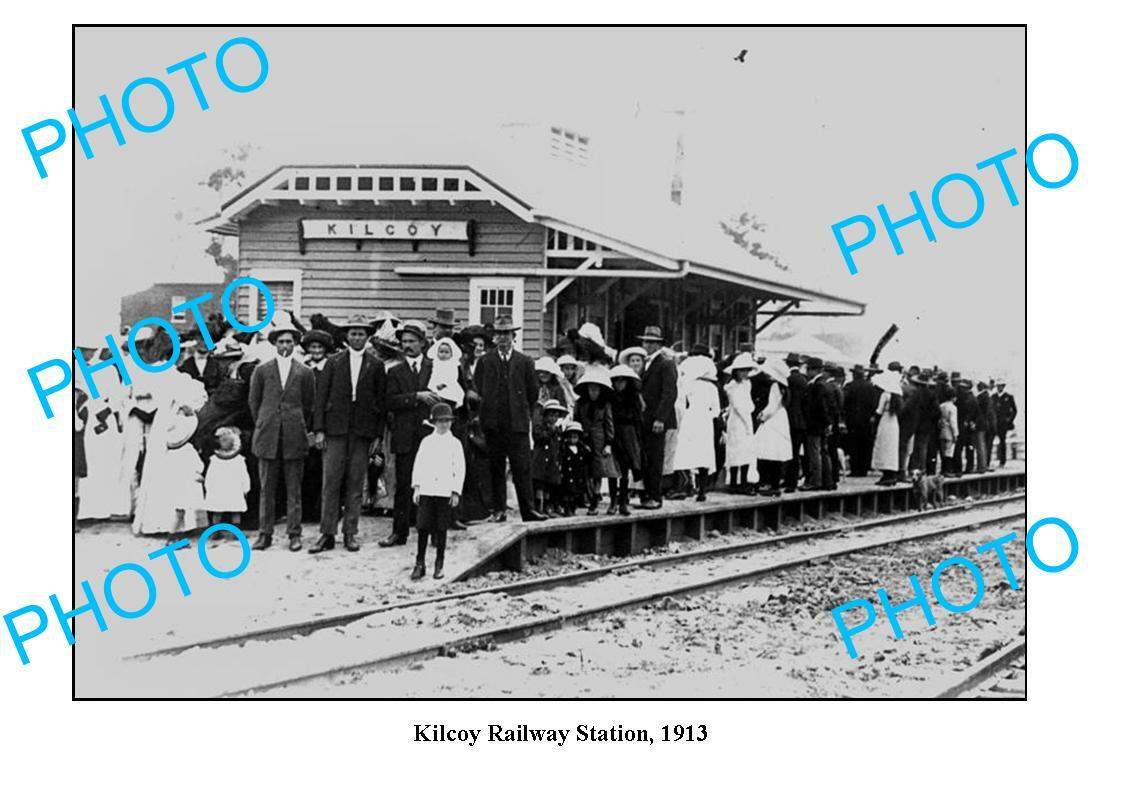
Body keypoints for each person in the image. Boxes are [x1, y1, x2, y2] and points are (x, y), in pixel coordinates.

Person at [311, 314, 387, 553]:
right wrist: (319, 430)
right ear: (346, 336)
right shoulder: (333, 362)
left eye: (361, 334)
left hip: (362, 432)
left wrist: (377, 435)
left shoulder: (376, 365)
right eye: (353, 333)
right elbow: (320, 398)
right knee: (331, 482)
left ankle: (350, 533)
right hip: (335, 430)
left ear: (367, 337)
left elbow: (381, 403)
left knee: (355, 483)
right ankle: (327, 534)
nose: (356, 338)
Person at [248, 319, 316, 552]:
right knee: (267, 488)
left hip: (293, 436)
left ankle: (294, 534)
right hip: (268, 436)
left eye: (289, 341)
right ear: (274, 344)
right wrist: (266, 423)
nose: (285, 345)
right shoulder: (261, 370)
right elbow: (254, 402)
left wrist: (295, 423)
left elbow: (309, 404)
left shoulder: (305, 372)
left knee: (294, 489)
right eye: (281, 341)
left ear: (295, 344)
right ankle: (264, 534)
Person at [473, 316, 548, 522]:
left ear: (513, 336)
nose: (503, 338)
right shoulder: (485, 361)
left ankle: (528, 510)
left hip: (517, 423)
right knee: (496, 467)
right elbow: (479, 388)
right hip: (493, 423)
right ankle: (499, 510)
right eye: (499, 334)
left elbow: (532, 392)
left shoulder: (525, 361)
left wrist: (522, 412)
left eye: (506, 333)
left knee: (522, 467)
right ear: (494, 337)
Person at [382, 319, 440, 547]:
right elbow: (389, 401)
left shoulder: (435, 367)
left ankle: (434, 532)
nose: (407, 345)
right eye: (404, 341)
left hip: (430, 435)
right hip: (405, 435)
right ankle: (399, 533)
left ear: (423, 343)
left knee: (433, 484)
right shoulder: (395, 371)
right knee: (404, 485)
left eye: (412, 341)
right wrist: (416, 397)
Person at [132, 372, 209, 537]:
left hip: (171, 455)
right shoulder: (182, 421)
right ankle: (173, 528)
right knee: (178, 493)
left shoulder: (172, 418)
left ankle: (176, 526)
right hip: (176, 457)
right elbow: (179, 436)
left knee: (175, 491)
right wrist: (191, 416)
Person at [410, 402, 465, 580]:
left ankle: (439, 563)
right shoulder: (427, 442)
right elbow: (418, 465)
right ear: (434, 422)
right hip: (427, 490)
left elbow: (459, 469)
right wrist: (417, 487)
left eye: (447, 421)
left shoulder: (455, 444)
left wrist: (455, 491)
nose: (444, 424)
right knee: (423, 527)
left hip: (444, 491)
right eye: (441, 421)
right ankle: (420, 563)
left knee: (441, 528)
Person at [637, 326, 678, 509]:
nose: (648, 345)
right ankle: (646, 495)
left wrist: (660, 418)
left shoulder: (665, 363)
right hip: (644, 418)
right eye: (646, 341)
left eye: (652, 342)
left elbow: (669, 393)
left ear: (659, 345)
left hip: (656, 419)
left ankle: (655, 496)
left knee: (655, 458)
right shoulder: (644, 363)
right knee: (645, 457)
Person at [672, 353, 720, 501]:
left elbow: (680, 404)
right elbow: (716, 410)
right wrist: (709, 416)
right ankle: (702, 490)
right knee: (703, 455)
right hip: (705, 421)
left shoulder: (687, 385)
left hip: (690, 419)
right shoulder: (712, 388)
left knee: (684, 452)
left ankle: (685, 485)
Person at [573, 367, 619, 515]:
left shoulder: (605, 404)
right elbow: (576, 422)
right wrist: (579, 440)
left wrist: (609, 443)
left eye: (596, 389)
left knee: (609, 471)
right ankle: (593, 500)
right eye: (590, 389)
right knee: (590, 472)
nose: (593, 392)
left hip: (601, 440)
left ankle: (614, 501)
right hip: (585, 440)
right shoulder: (580, 404)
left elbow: (609, 424)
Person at [299, 329, 334, 522]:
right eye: (313, 347)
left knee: (325, 468)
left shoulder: (331, 368)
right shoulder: (303, 368)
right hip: (305, 423)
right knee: (306, 468)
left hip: (325, 423)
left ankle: (324, 510)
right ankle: (307, 511)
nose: (317, 351)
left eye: (320, 347)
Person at [608, 364, 644, 515]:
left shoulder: (633, 398)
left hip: (628, 434)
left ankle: (622, 502)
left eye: (622, 381)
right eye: (617, 381)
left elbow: (638, 419)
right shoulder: (609, 397)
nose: (619, 384)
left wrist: (638, 438)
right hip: (613, 431)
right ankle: (612, 502)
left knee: (625, 468)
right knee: (612, 469)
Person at [755, 358, 792, 496]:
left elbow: (772, 406)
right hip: (781, 419)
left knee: (768, 451)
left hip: (773, 421)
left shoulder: (775, 386)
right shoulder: (784, 387)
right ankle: (774, 484)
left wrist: (762, 416)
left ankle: (769, 484)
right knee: (777, 453)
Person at [723, 352, 759, 493]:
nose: (745, 373)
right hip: (737, 421)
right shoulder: (732, 386)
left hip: (745, 417)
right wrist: (748, 424)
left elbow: (748, 403)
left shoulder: (746, 384)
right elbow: (738, 406)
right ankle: (733, 482)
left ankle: (743, 481)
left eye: (747, 370)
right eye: (742, 370)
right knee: (735, 451)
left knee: (746, 451)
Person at [204, 426, 251, 527]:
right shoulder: (238, 460)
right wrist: (245, 489)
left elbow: (209, 478)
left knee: (218, 511)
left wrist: (209, 489)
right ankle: (235, 531)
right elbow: (244, 476)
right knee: (235, 511)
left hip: (218, 491)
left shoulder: (215, 460)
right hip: (234, 491)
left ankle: (215, 530)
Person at [799, 357, 834, 491]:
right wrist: (828, 422)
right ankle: (827, 481)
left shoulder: (817, 386)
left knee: (814, 453)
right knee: (823, 452)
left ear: (815, 370)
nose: (807, 372)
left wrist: (824, 421)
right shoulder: (826, 384)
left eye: (809, 369)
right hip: (823, 424)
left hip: (815, 424)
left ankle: (815, 481)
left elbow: (820, 406)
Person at [531, 399, 567, 516]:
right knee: (539, 485)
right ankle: (538, 507)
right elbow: (539, 438)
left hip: (552, 461)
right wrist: (550, 431)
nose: (553, 418)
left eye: (556, 416)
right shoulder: (540, 427)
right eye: (551, 415)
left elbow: (559, 446)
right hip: (540, 460)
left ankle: (548, 506)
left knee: (549, 485)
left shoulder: (558, 430)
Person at [842, 364, 878, 477]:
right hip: (866, 421)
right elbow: (874, 404)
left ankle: (855, 469)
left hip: (852, 420)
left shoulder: (849, 386)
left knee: (854, 445)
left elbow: (844, 401)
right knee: (865, 445)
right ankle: (864, 469)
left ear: (854, 374)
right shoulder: (870, 387)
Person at [871, 372, 903, 485]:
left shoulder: (885, 395)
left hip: (885, 421)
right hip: (894, 423)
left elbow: (879, 411)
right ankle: (892, 473)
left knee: (884, 447)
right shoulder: (897, 396)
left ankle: (886, 475)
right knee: (892, 449)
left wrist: (873, 420)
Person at [783, 353, 808, 491]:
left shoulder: (788, 380)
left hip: (790, 420)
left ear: (788, 364)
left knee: (789, 452)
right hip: (801, 421)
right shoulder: (804, 380)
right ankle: (792, 481)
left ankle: (789, 482)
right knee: (796, 452)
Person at [557, 420, 593, 516]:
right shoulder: (564, 448)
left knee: (576, 493)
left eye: (575, 437)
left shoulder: (581, 449)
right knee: (566, 493)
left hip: (577, 474)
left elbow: (587, 459)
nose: (572, 439)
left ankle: (573, 508)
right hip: (567, 474)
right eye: (570, 437)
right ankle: (567, 508)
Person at [909, 371, 940, 475]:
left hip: (915, 422)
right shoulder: (931, 394)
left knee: (915, 446)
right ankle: (921, 468)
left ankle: (913, 467)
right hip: (927, 424)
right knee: (923, 446)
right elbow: (937, 411)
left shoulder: (915, 393)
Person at [427, 337, 466, 408]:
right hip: (434, 383)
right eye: (441, 352)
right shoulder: (434, 363)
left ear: (451, 354)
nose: (443, 354)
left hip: (448, 385)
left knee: (452, 395)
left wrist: (444, 384)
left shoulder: (452, 364)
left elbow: (453, 377)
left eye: (446, 352)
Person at [953, 377, 979, 474]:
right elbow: (977, 413)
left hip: (963, 426)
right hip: (969, 426)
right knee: (969, 447)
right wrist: (972, 422)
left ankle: (958, 469)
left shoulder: (963, 398)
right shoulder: (973, 398)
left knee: (959, 447)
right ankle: (969, 467)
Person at [994, 380, 1018, 466]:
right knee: (991, 440)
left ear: (1003, 386)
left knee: (1002, 441)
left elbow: (1014, 410)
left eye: (1001, 386)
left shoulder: (1009, 397)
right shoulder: (993, 397)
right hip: (995, 422)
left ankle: (1002, 461)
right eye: (998, 386)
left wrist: (1009, 420)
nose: (999, 388)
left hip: (1003, 423)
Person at [938, 384, 959, 475]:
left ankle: (943, 470)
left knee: (943, 451)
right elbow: (953, 422)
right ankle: (947, 470)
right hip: (949, 431)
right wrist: (956, 433)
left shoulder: (941, 406)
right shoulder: (953, 408)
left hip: (942, 430)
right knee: (949, 452)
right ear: (953, 397)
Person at [976, 381, 996, 472]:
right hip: (990, 425)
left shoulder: (982, 397)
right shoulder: (988, 397)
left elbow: (983, 413)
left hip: (986, 425)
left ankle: (984, 465)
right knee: (987, 446)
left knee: (984, 446)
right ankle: (985, 464)